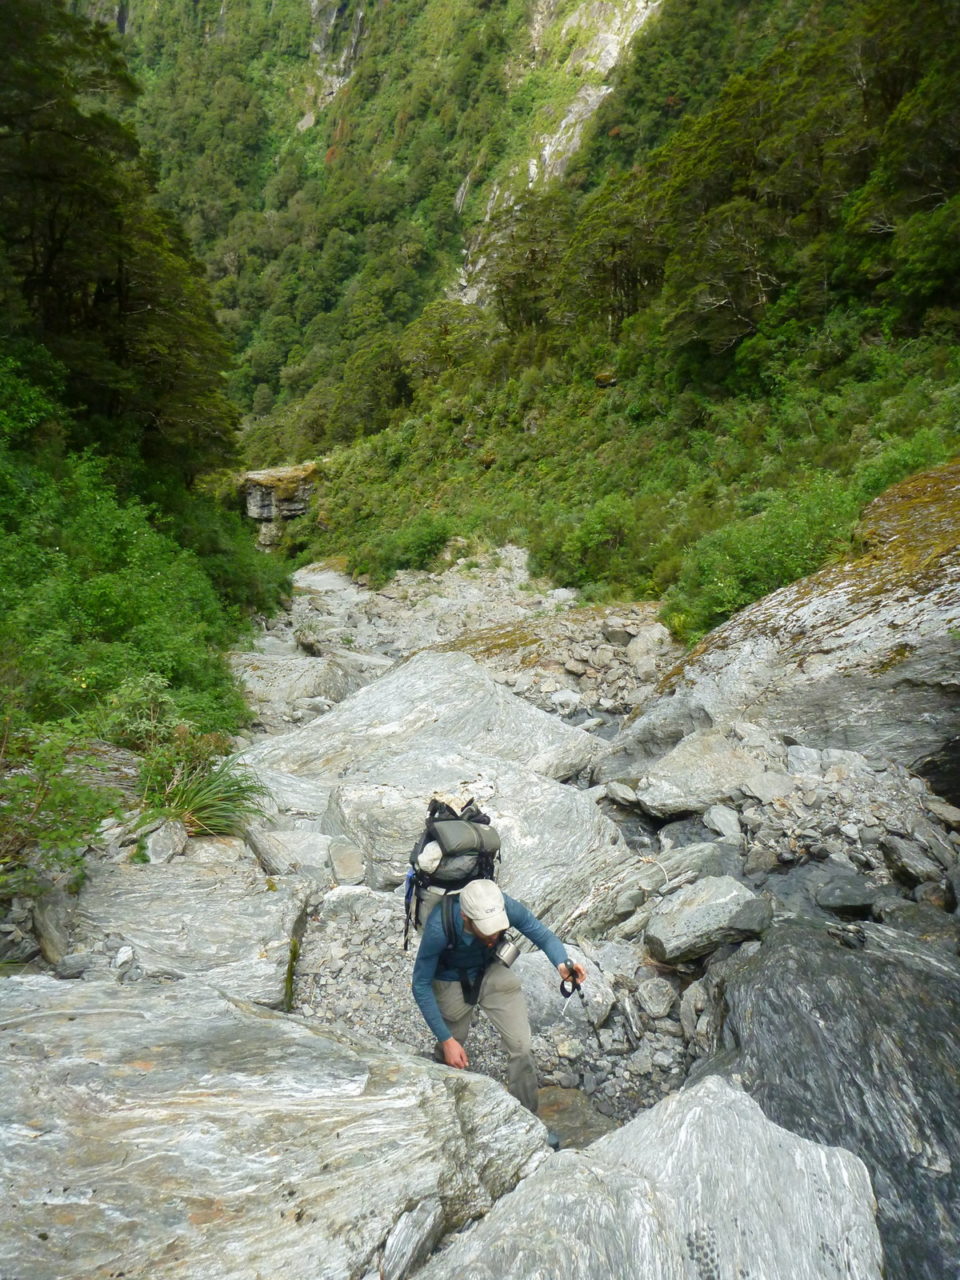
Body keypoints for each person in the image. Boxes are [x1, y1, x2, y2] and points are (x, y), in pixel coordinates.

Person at [411, 878, 587, 1121]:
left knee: (521, 1047)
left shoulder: (504, 905)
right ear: (465, 917)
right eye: (486, 928)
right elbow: (420, 984)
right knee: (450, 1054)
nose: (494, 935)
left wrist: (561, 963)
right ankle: (447, 1112)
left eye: (497, 927)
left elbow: (542, 935)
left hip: (489, 969)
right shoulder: (439, 927)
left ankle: (527, 1118)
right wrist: (447, 1040)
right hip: (449, 978)